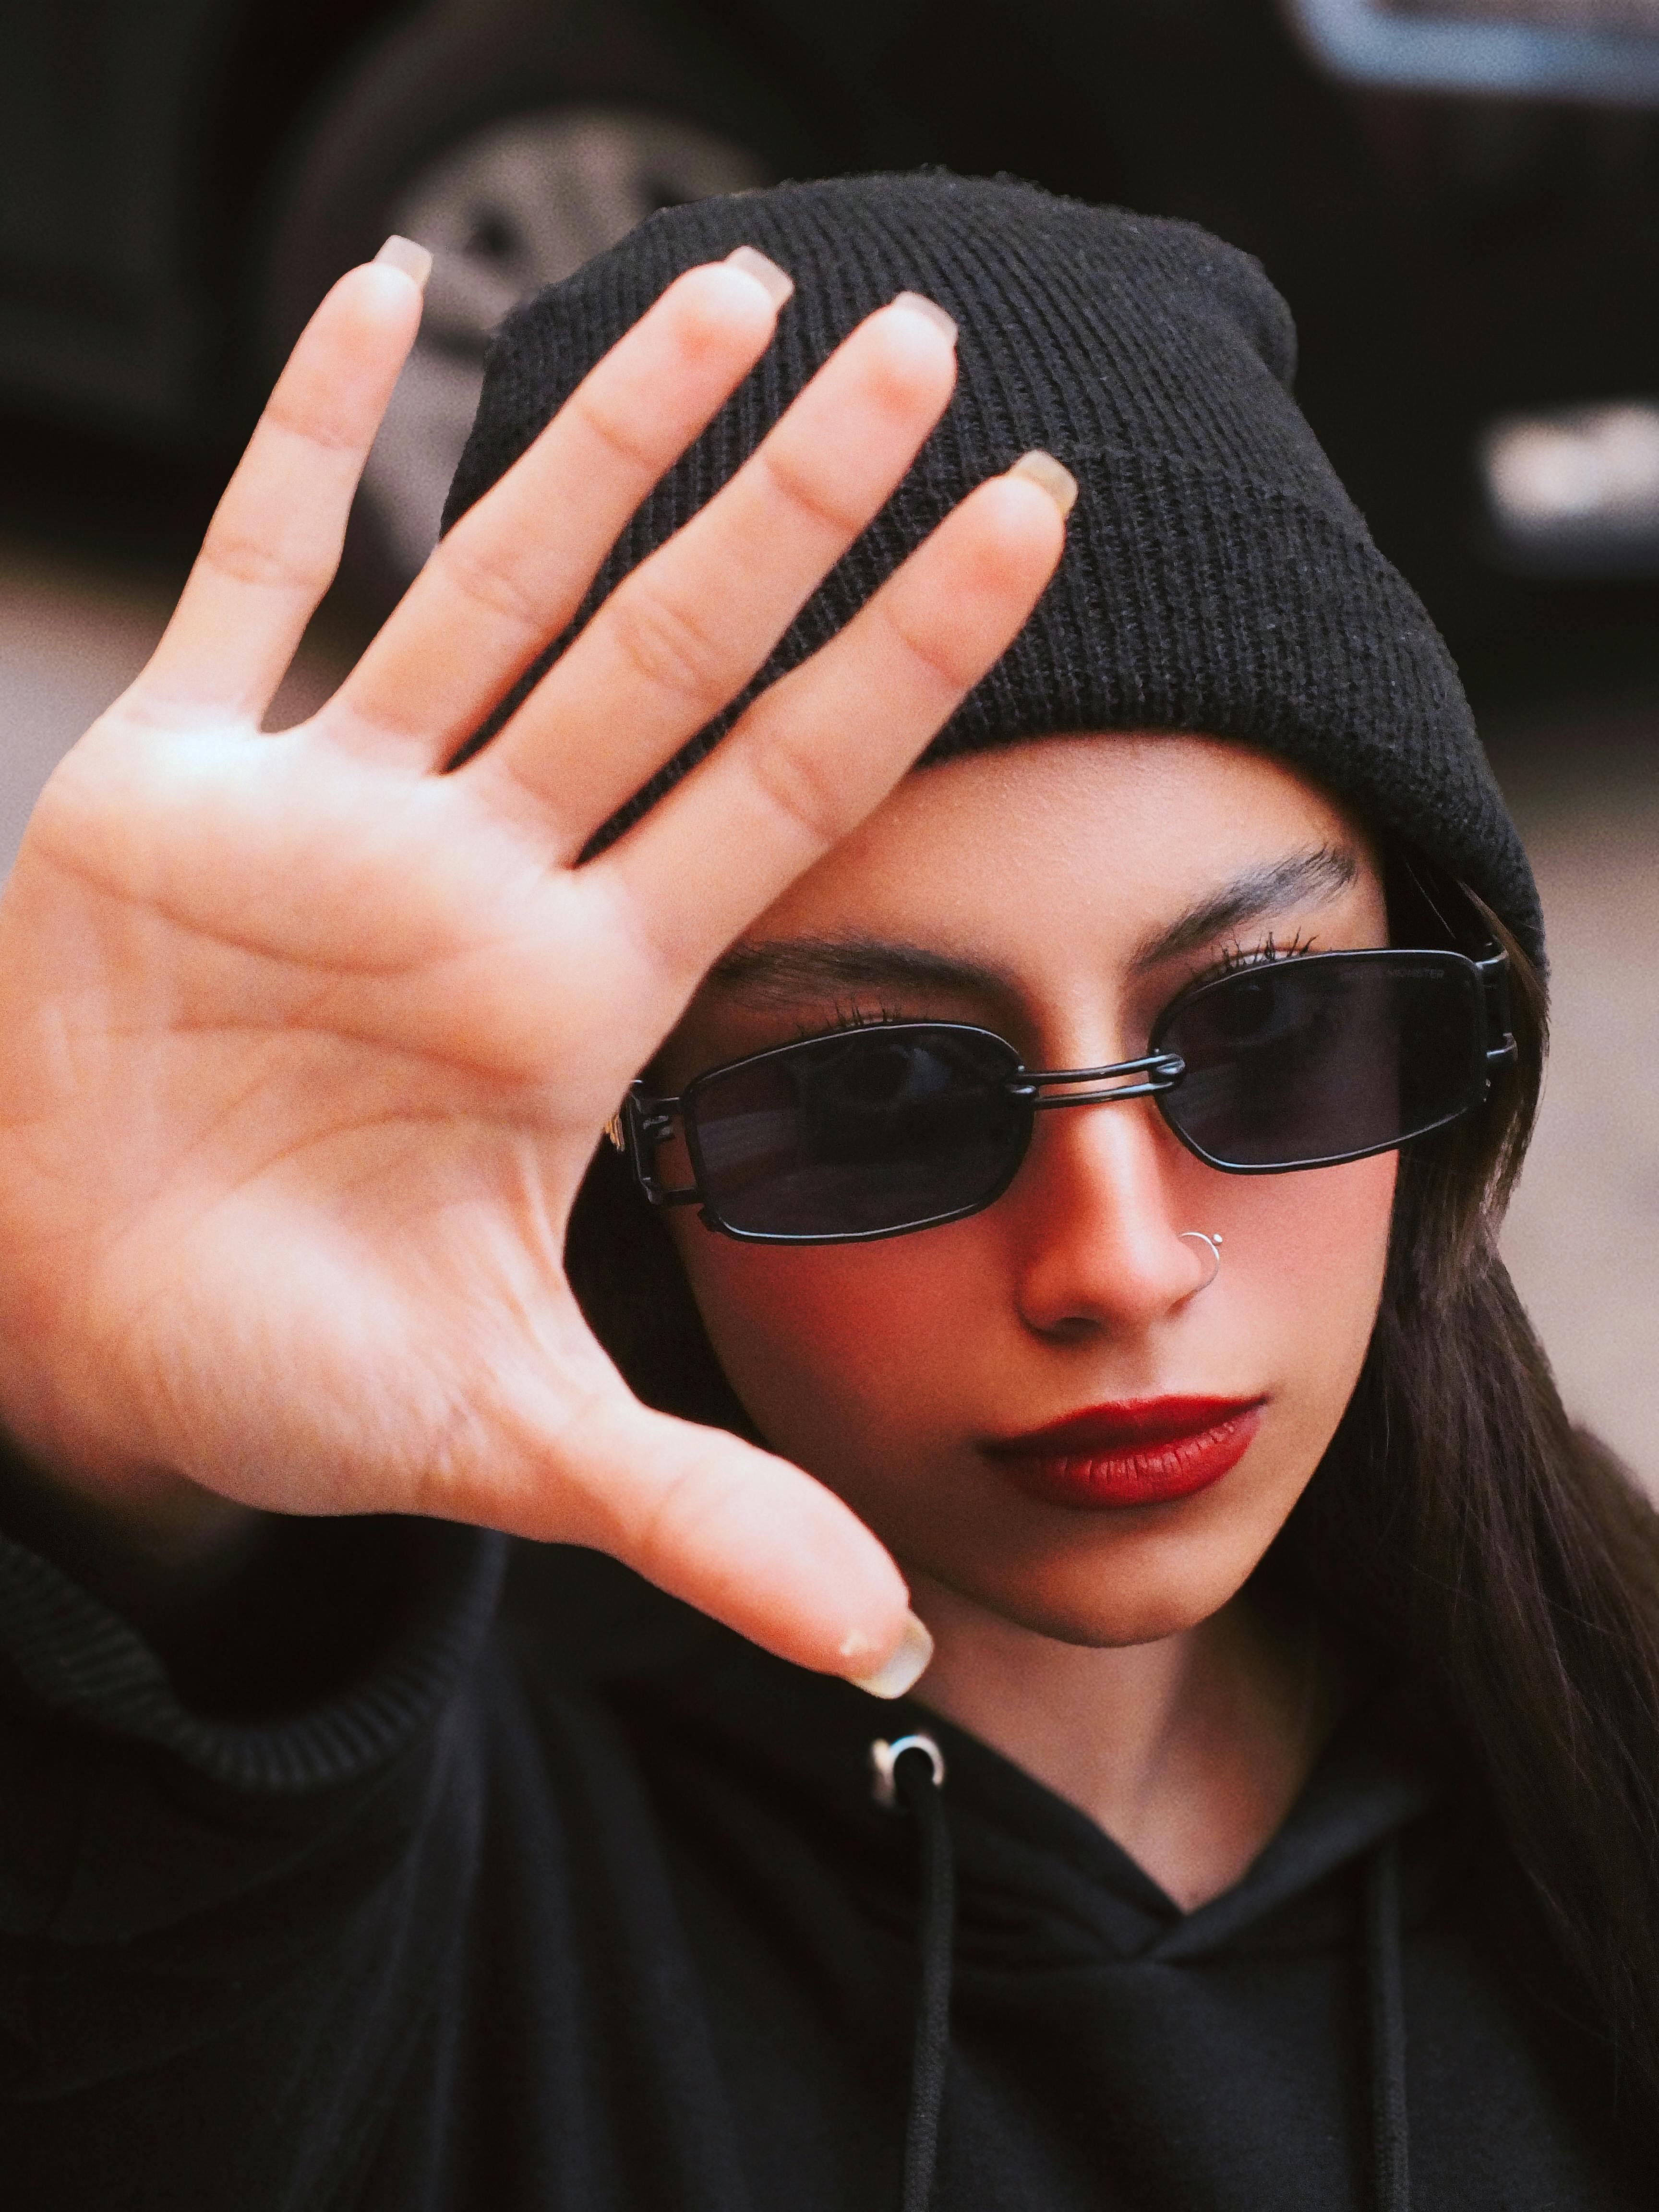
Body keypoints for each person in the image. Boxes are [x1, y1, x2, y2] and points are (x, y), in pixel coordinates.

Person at [0, 170, 1654, 2211]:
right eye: (876, 1100)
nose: (1119, 1262)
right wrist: (116, 1515)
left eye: (1270, 1039)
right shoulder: (362, 1880)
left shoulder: (1607, 1728)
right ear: (631, 1144)